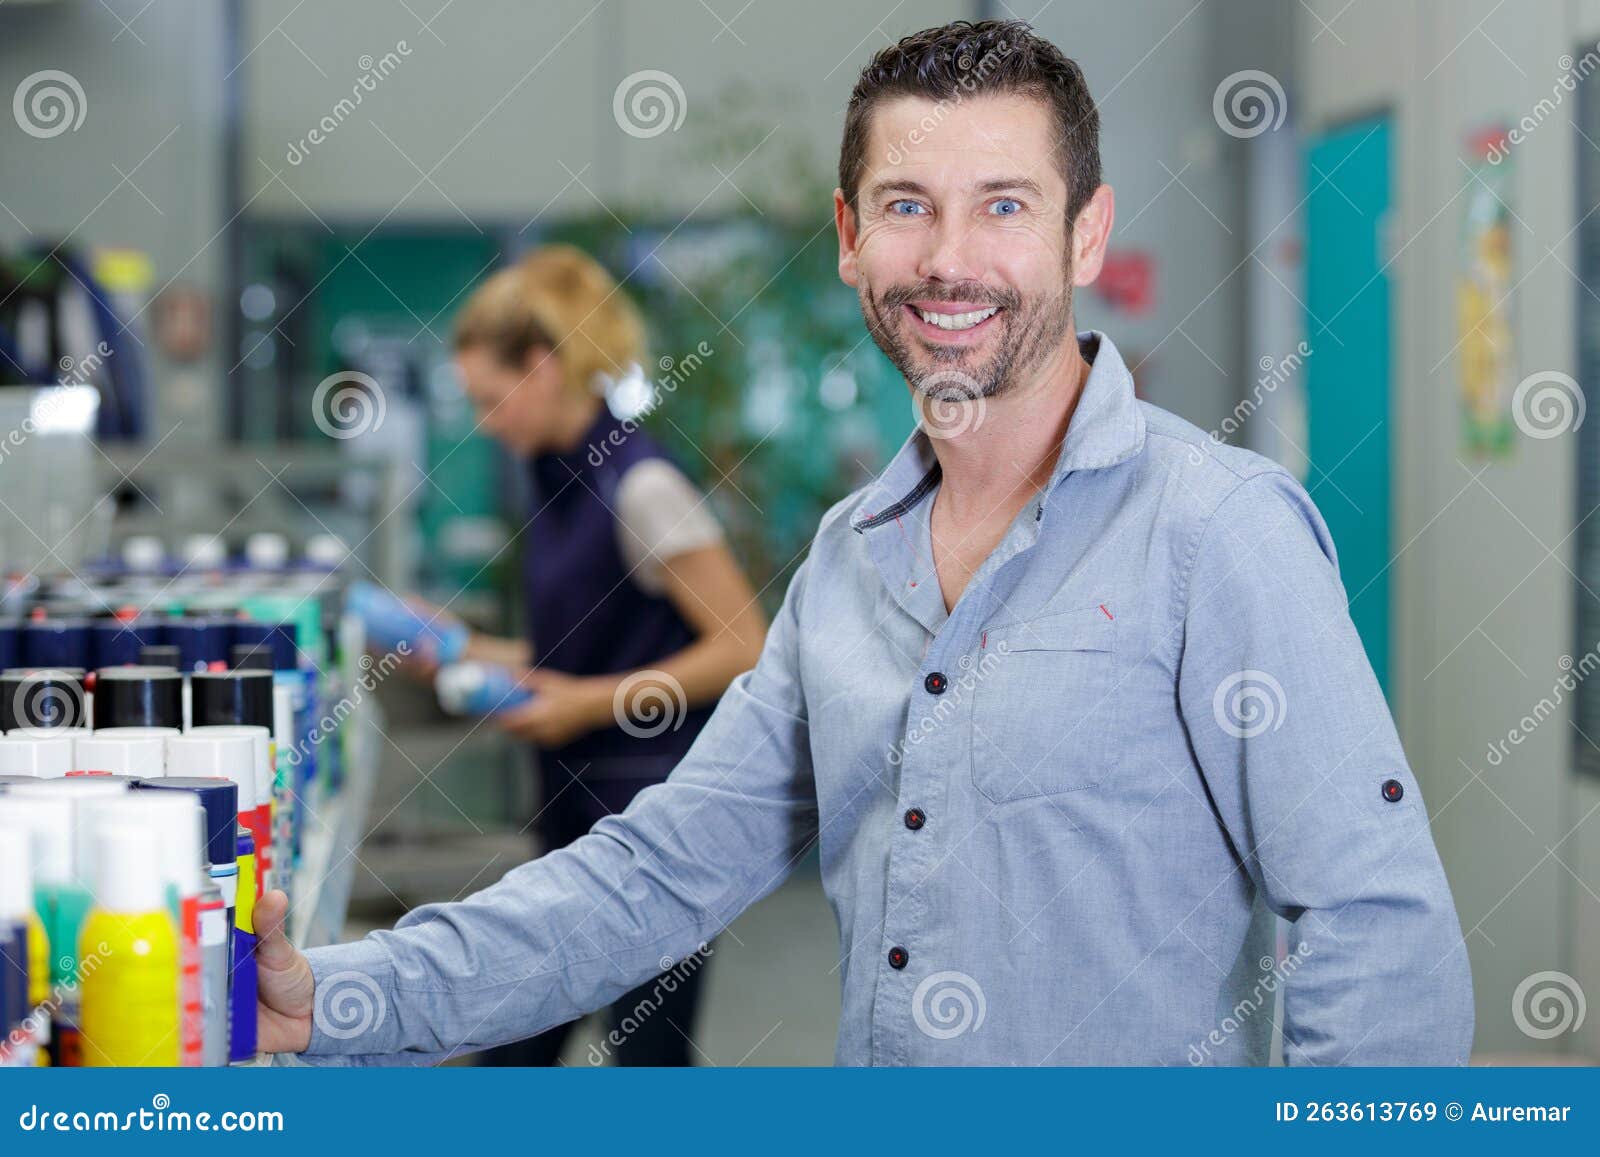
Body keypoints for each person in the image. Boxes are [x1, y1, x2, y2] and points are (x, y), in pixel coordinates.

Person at [254, 19, 1474, 1066]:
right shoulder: (848, 561)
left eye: (1004, 203)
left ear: (1083, 235)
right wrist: (345, 995)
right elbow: (657, 874)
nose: (947, 259)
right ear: (850, 236)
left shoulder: (1218, 532)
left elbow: (1374, 927)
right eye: (907, 206)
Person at [407, 245, 767, 1064]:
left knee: (639, 1056)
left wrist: (583, 704)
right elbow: (575, 647)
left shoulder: (640, 485)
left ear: (541, 368)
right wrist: (456, 644)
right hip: (579, 820)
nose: (483, 421)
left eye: (490, 398)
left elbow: (745, 645)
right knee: (532, 1042)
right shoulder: (558, 478)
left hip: (656, 824)